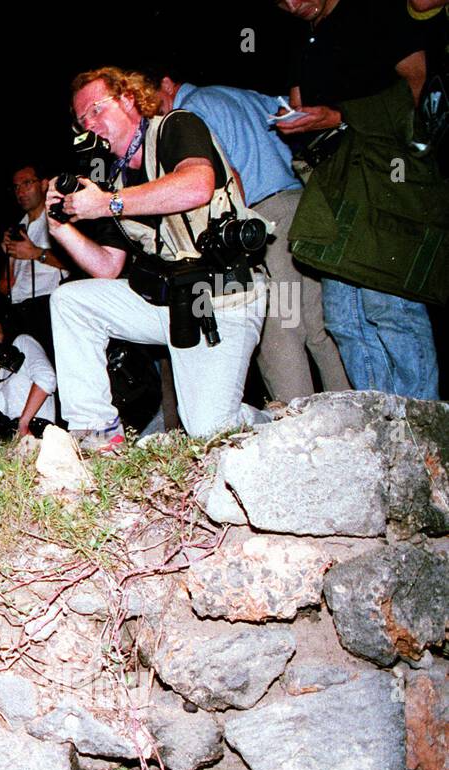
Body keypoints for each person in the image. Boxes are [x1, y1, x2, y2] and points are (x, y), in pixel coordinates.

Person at [47, 67, 270, 449]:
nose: (89, 124)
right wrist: (61, 229)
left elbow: (198, 185)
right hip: (172, 301)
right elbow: (108, 266)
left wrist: (106, 205)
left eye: (96, 110)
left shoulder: (175, 126)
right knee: (70, 301)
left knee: (207, 429)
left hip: (224, 297)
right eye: (82, 119)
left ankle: (272, 422)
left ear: (129, 99)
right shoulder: (115, 179)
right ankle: (95, 432)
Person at [275, 0, 441, 400]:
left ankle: (423, 419)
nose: (291, 5)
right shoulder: (308, 40)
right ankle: (380, 419)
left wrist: (340, 116)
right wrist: (297, 117)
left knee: (390, 307)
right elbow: (307, 103)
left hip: (388, 175)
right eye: (281, 2)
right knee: (345, 318)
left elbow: (421, 85)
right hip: (336, 180)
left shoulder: (373, 11)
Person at [153, 73, 351, 402]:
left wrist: (233, 239)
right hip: (301, 207)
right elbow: (292, 119)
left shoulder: (186, 116)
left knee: (280, 331)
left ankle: (297, 428)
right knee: (319, 327)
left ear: (166, 83)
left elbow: (232, 177)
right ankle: (353, 416)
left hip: (265, 222)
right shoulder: (236, 92)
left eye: (150, 98)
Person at [0, 166, 70, 363]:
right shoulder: (18, 228)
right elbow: (5, 286)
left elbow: (75, 264)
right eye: (16, 187)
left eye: (27, 183)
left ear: (44, 184)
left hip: (48, 305)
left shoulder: (59, 218)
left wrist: (37, 253)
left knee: (56, 366)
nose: (20, 191)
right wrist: (8, 255)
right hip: (18, 311)